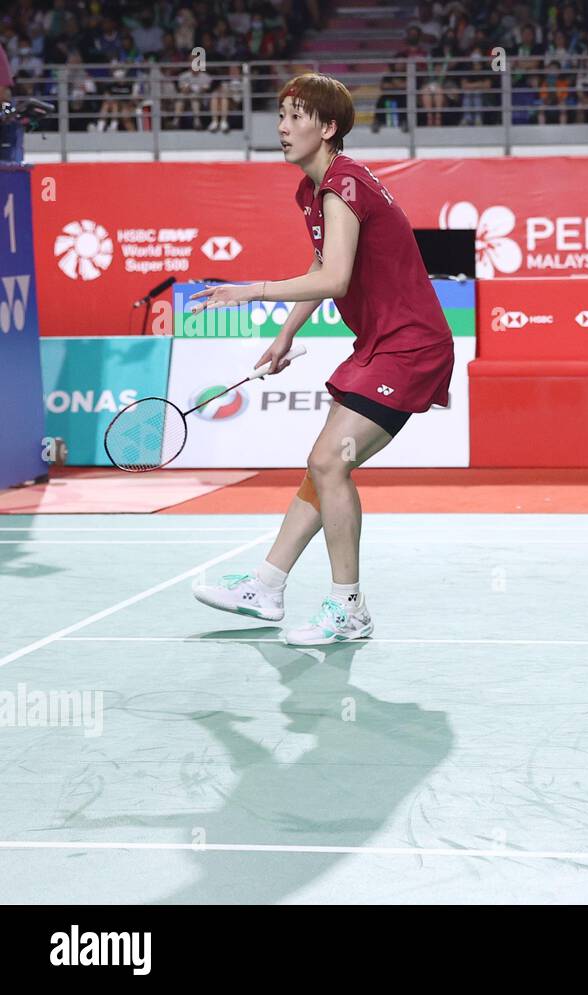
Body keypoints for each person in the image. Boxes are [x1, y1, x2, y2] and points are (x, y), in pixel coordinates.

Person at [189, 74, 455, 645]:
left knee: (330, 461)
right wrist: (285, 336)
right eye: (280, 114)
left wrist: (251, 290)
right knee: (324, 464)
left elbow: (335, 278)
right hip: (381, 344)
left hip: (411, 345)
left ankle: (348, 607)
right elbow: (323, 272)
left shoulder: (344, 185)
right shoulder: (314, 191)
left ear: (327, 128)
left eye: (296, 116)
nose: (282, 127)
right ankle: (267, 584)